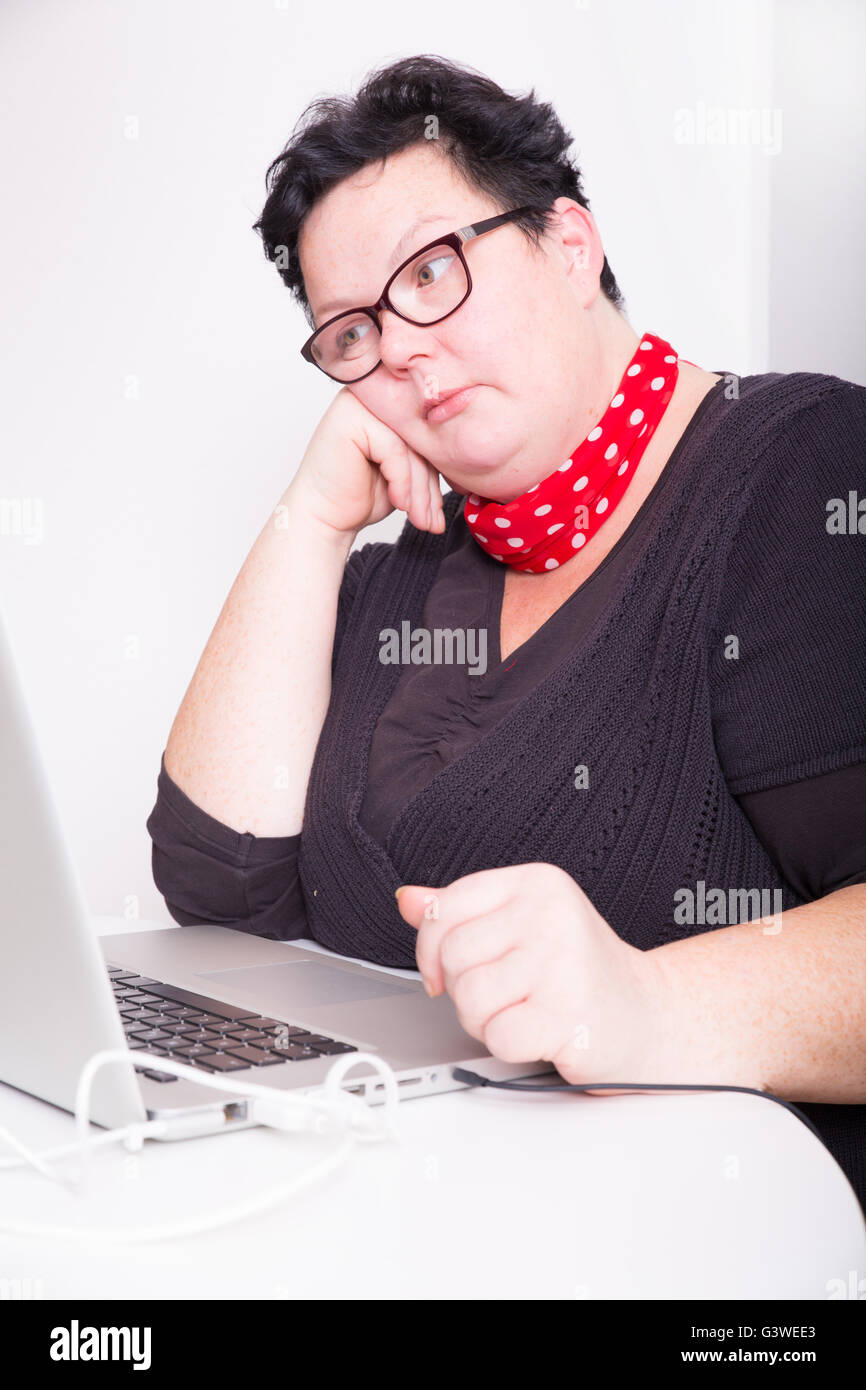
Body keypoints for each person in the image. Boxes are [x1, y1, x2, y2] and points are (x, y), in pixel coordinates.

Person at [146, 56, 866, 1214]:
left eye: (431, 272)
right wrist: (310, 520)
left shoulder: (798, 472)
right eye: (352, 331)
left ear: (568, 246)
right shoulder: (405, 568)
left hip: (697, 1247)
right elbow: (214, 890)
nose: (402, 349)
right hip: (383, 1228)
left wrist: (642, 1002)